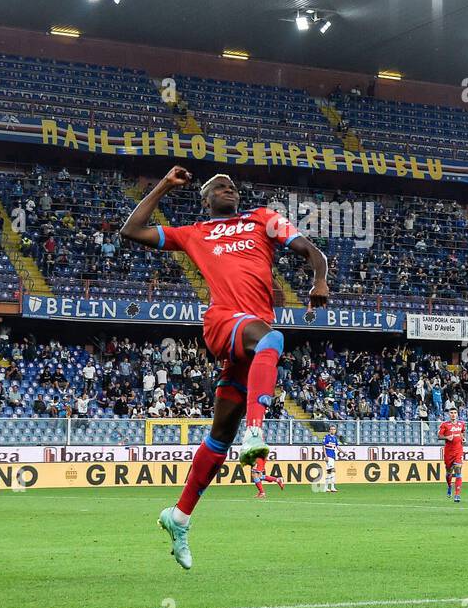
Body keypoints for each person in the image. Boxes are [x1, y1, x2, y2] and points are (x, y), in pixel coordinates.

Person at [121, 167, 328, 570]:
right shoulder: (194, 232)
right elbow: (132, 230)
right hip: (224, 322)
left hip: (248, 335)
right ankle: (256, 431)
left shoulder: (262, 218)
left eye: (232, 185)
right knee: (273, 339)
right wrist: (162, 184)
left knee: (218, 438)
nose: (229, 188)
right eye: (219, 186)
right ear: (205, 199)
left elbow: (310, 251)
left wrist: (319, 281)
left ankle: (178, 517)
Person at [438, 405, 465, 502]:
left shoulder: (461, 424)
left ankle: (457, 495)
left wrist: (462, 438)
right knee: (449, 472)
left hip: (458, 451)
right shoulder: (445, 424)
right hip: (448, 453)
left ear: (457, 414)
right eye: (451, 413)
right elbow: (439, 436)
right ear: (449, 414)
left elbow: (462, 433)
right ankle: (449, 486)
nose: (453, 415)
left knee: (458, 470)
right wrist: (446, 438)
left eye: (455, 413)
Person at [321, 427, 340, 493]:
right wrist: (325, 456)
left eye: (334, 429)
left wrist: (343, 452)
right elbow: (323, 446)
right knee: (333, 470)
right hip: (328, 456)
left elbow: (337, 447)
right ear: (329, 430)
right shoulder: (326, 437)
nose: (333, 430)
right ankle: (332, 487)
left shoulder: (335, 438)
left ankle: (325, 488)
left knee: (329, 472)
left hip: (332, 456)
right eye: (331, 429)